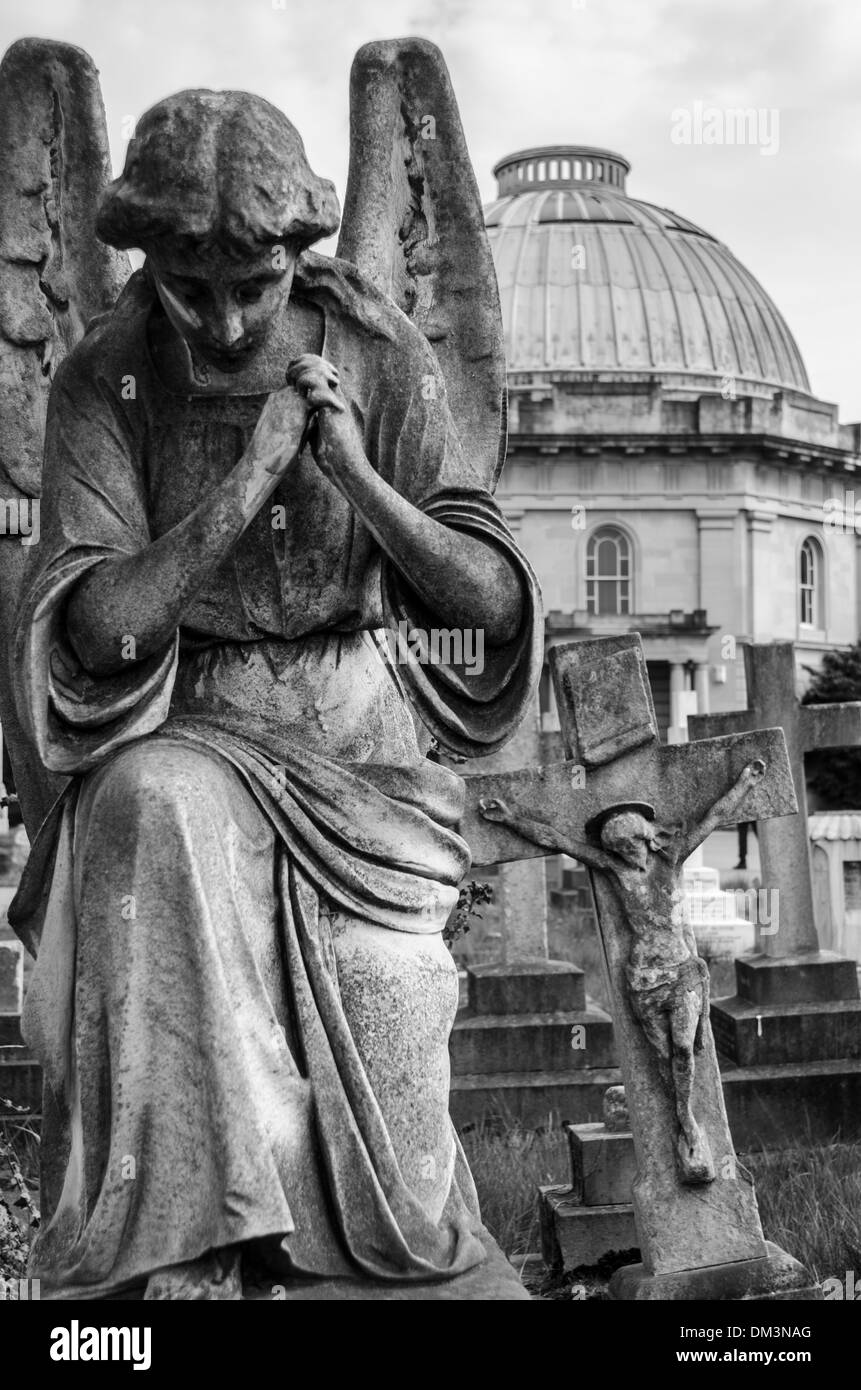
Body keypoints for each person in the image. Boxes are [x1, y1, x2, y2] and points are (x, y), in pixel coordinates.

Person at [11, 90, 542, 1299]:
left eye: (253, 282)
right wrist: (247, 481)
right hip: (191, 721)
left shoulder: (381, 350)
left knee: (396, 1094)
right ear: (148, 257)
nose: (227, 316)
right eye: (191, 285)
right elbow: (97, 623)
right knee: (151, 805)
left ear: (297, 248)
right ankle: (195, 1246)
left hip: (359, 746)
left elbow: (490, 608)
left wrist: (355, 476)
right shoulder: (106, 376)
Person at [479, 759, 765, 1185]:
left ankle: (687, 1124)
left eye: (629, 845)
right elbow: (558, 840)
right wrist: (511, 818)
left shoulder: (671, 863)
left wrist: (744, 782)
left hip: (683, 973)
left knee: (684, 1050)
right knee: (663, 1058)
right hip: (643, 981)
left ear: (647, 840)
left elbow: (716, 817)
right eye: (616, 848)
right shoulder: (614, 871)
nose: (624, 853)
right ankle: (682, 1125)